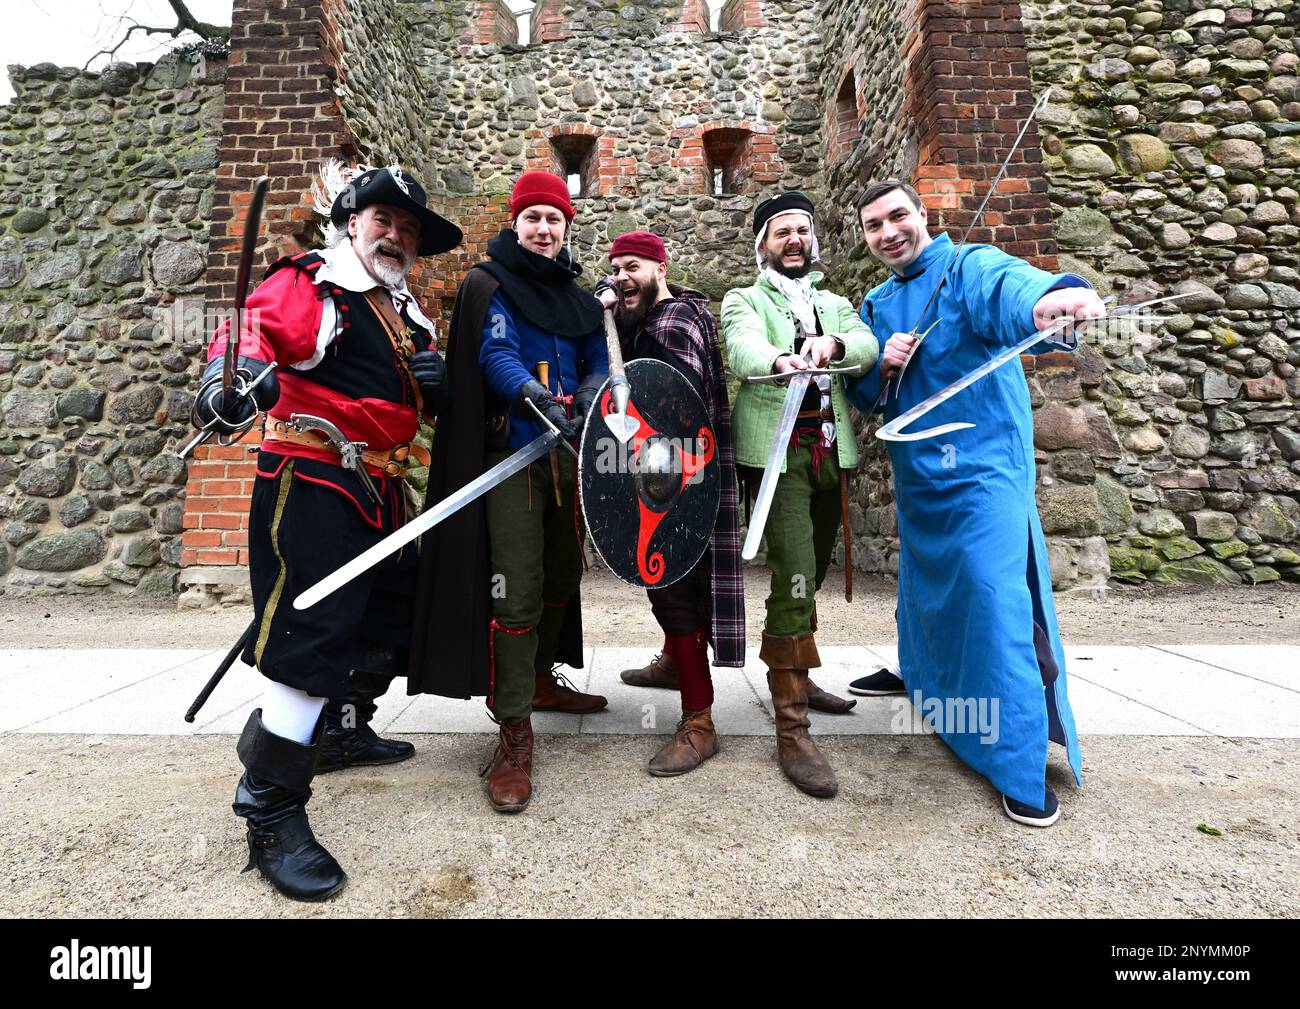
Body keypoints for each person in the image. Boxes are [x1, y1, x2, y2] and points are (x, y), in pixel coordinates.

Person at [197, 163, 461, 899]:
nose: (397, 236)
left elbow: (406, 404)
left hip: (380, 486)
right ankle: (271, 807)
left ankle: (341, 728)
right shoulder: (313, 282)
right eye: (384, 221)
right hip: (313, 481)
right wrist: (237, 379)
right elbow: (251, 329)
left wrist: (437, 392)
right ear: (352, 223)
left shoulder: (407, 315)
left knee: (391, 613)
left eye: (409, 229)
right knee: (307, 637)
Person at [846, 178, 1105, 827]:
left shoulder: (968, 267)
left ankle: (1017, 760)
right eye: (874, 225)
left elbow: (1012, 291)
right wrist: (882, 366)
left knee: (994, 594)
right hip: (920, 471)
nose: (888, 232)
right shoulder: (876, 302)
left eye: (896, 216)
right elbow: (861, 397)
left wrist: (1051, 302)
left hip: (985, 465)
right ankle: (926, 684)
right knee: (926, 587)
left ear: (920, 214)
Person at [408, 171, 608, 814]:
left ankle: (543, 682)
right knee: (515, 588)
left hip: (565, 457)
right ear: (516, 224)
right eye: (533, 219)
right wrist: (535, 394)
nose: (544, 230)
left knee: (559, 577)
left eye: (555, 220)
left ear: (566, 227)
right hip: (512, 458)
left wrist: (586, 396)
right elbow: (495, 357)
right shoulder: (487, 284)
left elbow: (596, 358)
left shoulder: (577, 298)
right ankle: (514, 730)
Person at [720, 191, 879, 798]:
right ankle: (792, 726)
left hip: (829, 454)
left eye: (802, 231)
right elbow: (741, 348)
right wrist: (784, 358)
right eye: (781, 231)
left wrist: (833, 347)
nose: (794, 239)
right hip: (777, 454)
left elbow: (865, 346)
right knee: (792, 573)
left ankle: (801, 674)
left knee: (810, 570)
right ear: (763, 243)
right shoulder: (745, 299)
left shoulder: (835, 303)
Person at [594, 230, 743, 776]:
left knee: (677, 594)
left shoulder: (672, 323)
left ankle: (699, 723)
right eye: (615, 268)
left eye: (633, 266)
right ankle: (672, 664)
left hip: (676, 482)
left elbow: (663, 405)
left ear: (661, 267)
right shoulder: (659, 318)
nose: (621, 277)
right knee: (672, 586)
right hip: (664, 475)